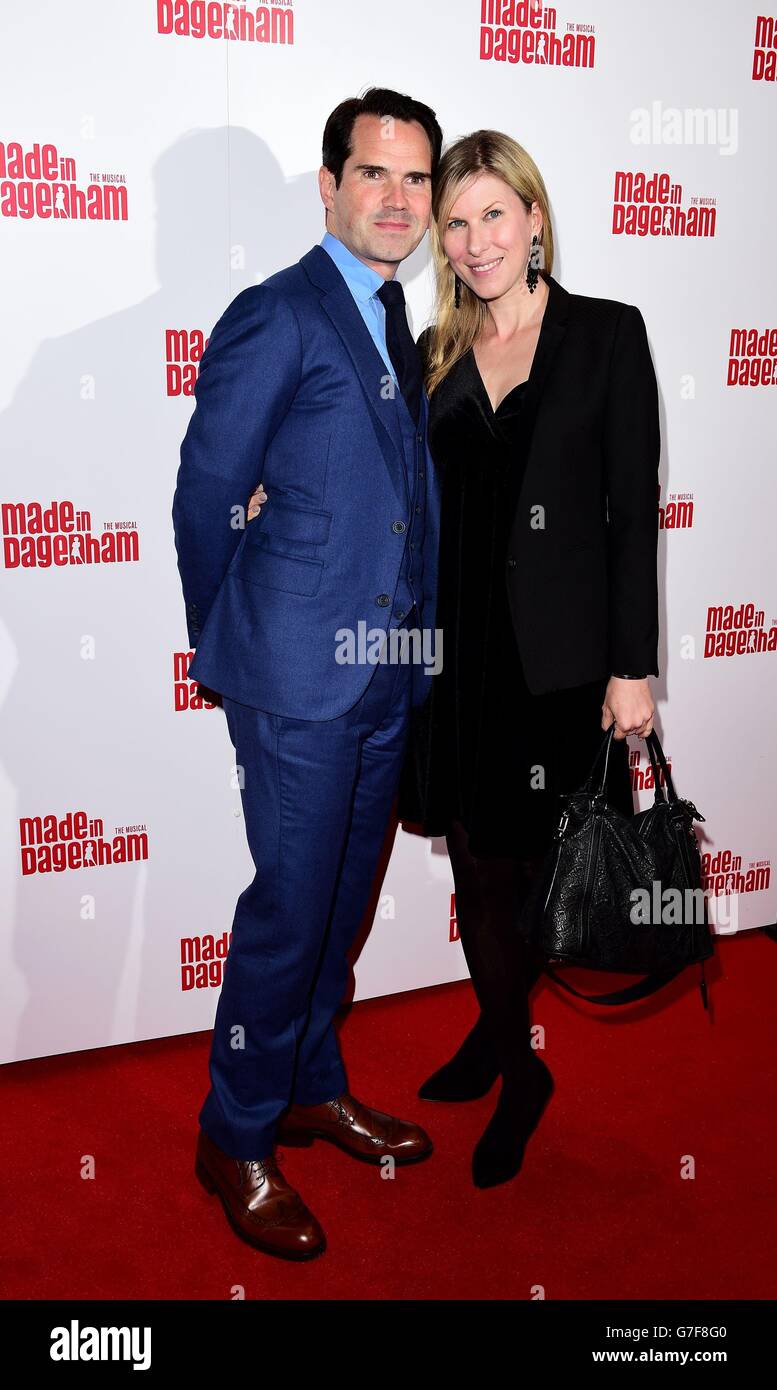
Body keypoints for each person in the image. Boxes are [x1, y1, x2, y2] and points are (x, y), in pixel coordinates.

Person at [172, 87, 443, 1260]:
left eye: (417, 179)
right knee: (287, 913)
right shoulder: (275, 313)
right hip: (294, 680)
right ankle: (233, 1132)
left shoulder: (400, 322)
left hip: (384, 677)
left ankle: (310, 1083)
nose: (398, 199)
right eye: (374, 174)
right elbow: (203, 495)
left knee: (337, 909)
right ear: (329, 186)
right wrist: (235, 640)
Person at [395, 130, 660, 1189]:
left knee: (538, 876)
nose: (473, 240)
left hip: (558, 667)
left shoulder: (605, 335)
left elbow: (631, 517)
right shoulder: (434, 353)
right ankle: (510, 1046)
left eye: (493, 215)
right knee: (478, 870)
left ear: (535, 218)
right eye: (454, 223)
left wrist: (631, 669)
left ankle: (514, 1061)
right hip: (457, 661)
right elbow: (398, 499)